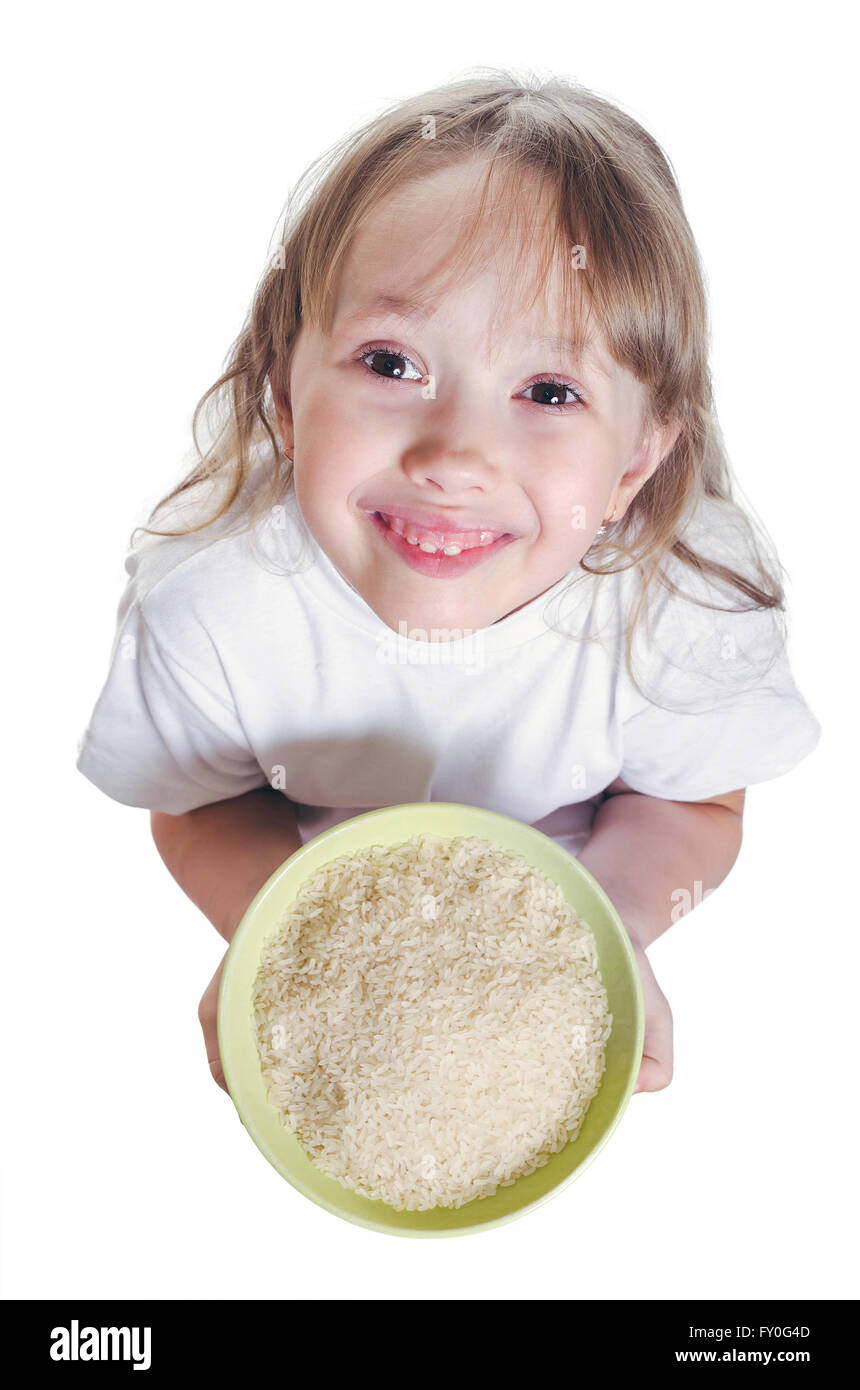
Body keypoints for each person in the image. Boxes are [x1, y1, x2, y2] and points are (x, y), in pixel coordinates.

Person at [76, 70, 821, 1100]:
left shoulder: (680, 603)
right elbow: (197, 804)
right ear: (283, 399)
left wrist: (590, 929)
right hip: (335, 880)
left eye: (548, 390)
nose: (455, 454)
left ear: (632, 467)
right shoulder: (212, 609)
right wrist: (288, 932)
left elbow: (695, 796)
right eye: (389, 363)